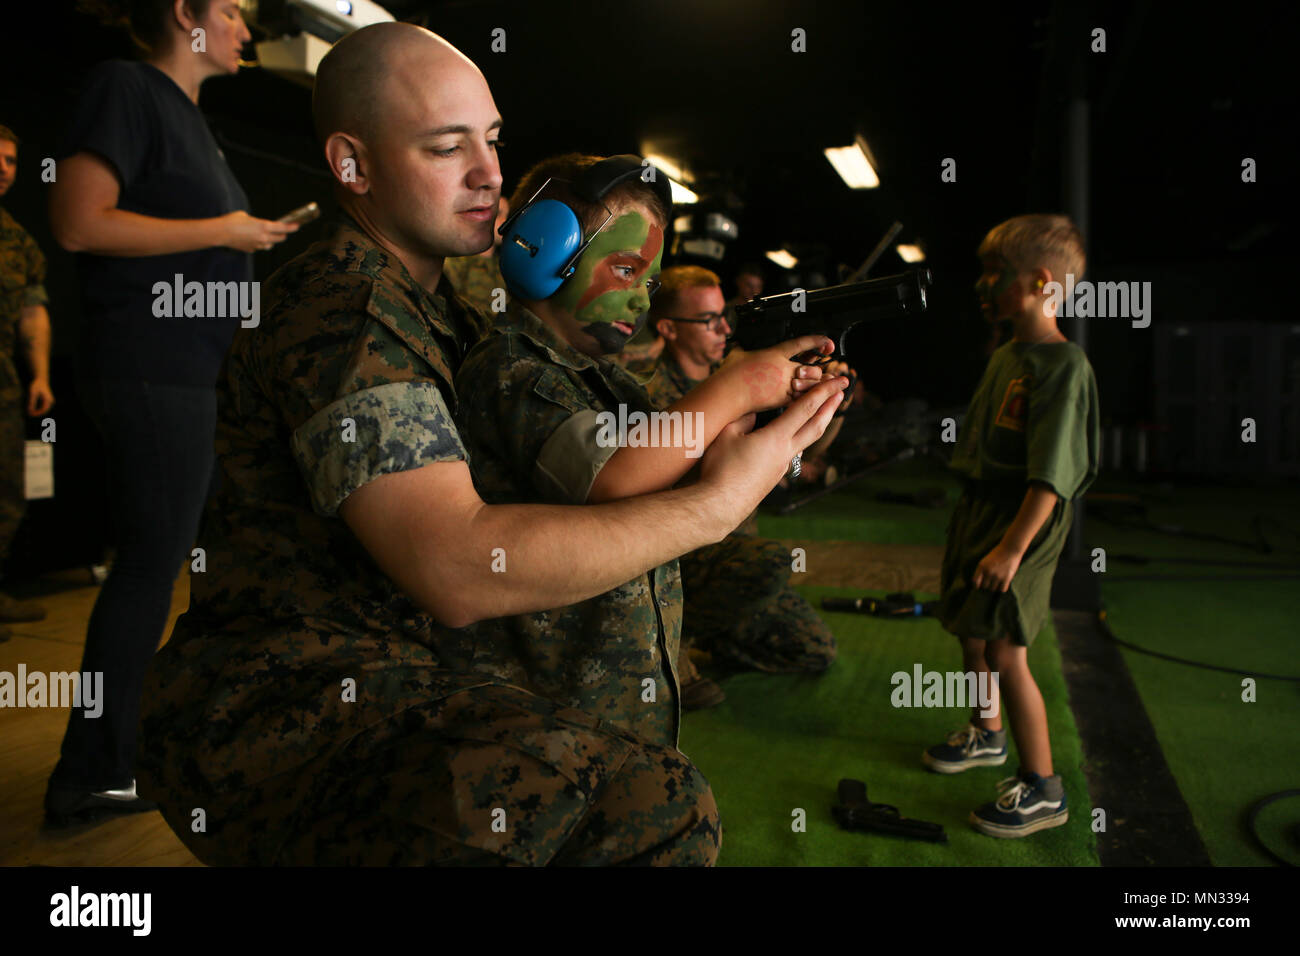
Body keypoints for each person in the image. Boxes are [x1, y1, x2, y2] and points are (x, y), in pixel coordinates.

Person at [134, 23, 846, 866]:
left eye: (494, 139)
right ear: (353, 166)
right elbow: (458, 567)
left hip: (413, 670)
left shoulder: (451, 312)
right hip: (294, 708)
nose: (490, 174)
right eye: (447, 148)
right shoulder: (345, 313)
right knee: (651, 807)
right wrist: (716, 503)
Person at [454, 154, 837, 735]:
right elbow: (614, 475)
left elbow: (683, 463)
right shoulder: (510, 367)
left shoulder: (604, 379)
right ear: (544, 253)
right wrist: (737, 387)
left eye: (651, 282)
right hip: (542, 705)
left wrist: (797, 410)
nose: (642, 299)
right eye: (628, 270)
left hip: (607, 691)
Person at [43, 0, 297, 825]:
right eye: (233, 10)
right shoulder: (127, 87)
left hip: (192, 373)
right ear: (183, 11)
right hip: (150, 370)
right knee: (150, 568)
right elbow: (79, 222)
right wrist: (224, 226)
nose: (246, 30)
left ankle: (122, 751)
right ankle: (92, 771)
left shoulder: (192, 121)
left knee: (165, 566)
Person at [923, 214, 1099, 838]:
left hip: (1024, 519)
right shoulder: (1006, 353)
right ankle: (987, 732)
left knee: (1005, 648)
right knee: (972, 635)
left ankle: (1043, 787)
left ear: (1039, 282)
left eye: (994, 275)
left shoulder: (1064, 366)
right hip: (984, 511)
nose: (982, 285)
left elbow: (1049, 479)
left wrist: (1010, 548)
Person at [639, 265, 840, 708]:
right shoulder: (648, 395)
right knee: (771, 563)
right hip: (679, 557)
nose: (724, 328)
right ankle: (674, 636)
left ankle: (707, 630)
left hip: (730, 561)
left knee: (813, 649)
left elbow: (790, 469)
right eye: (708, 320)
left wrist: (826, 406)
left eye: (723, 316)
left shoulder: (740, 382)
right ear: (669, 328)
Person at [0, 125, 55, 640]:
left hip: (5, 387)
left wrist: (39, 373)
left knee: (7, 492)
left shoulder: (16, 237)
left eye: (13, 160)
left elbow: (32, 312)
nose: (3, 168)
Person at [442, 195, 508, 315]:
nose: (505, 222)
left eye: (506, 216)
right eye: (498, 214)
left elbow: (502, 311)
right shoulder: (458, 262)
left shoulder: (503, 269)